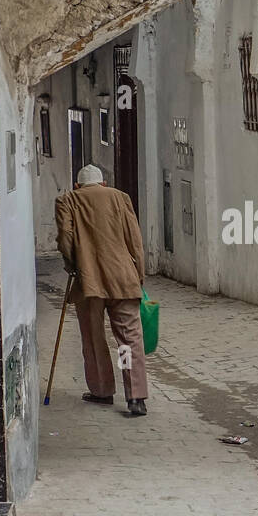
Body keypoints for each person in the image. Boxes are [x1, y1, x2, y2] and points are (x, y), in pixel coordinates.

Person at [55, 164, 149, 415]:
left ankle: (102, 390)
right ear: (103, 184)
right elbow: (135, 240)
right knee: (128, 339)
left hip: (89, 281)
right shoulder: (121, 198)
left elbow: (65, 235)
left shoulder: (67, 200)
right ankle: (135, 396)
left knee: (94, 337)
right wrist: (138, 274)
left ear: (78, 186)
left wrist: (73, 264)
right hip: (123, 279)